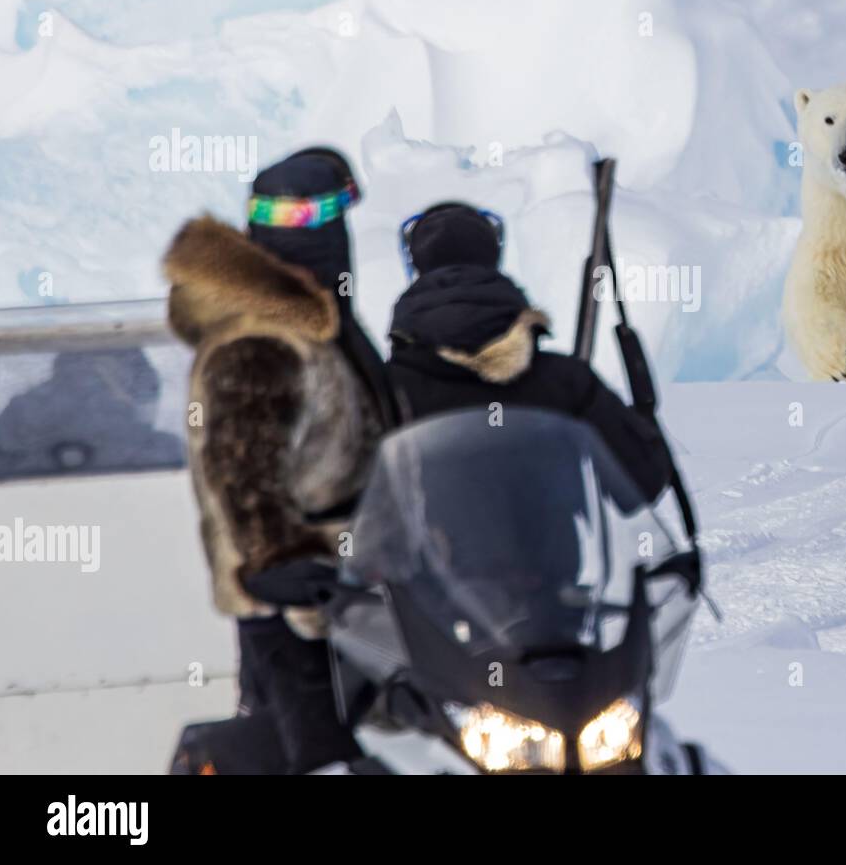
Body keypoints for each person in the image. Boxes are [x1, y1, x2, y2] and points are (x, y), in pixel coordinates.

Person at [164, 147, 394, 775]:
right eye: (284, 218)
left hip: (354, 599)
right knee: (323, 761)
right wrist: (281, 564)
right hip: (300, 608)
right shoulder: (259, 342)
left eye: (319, 215)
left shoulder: (317, 323)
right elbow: (242, 472)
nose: (309, 232)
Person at [387, 202, 672, 501]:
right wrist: (641, 419)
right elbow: (644, 483)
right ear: (493, 258)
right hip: (555, 550)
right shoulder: (566, 381)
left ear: (416, 266)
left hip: (422, 549)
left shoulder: (386, 392)